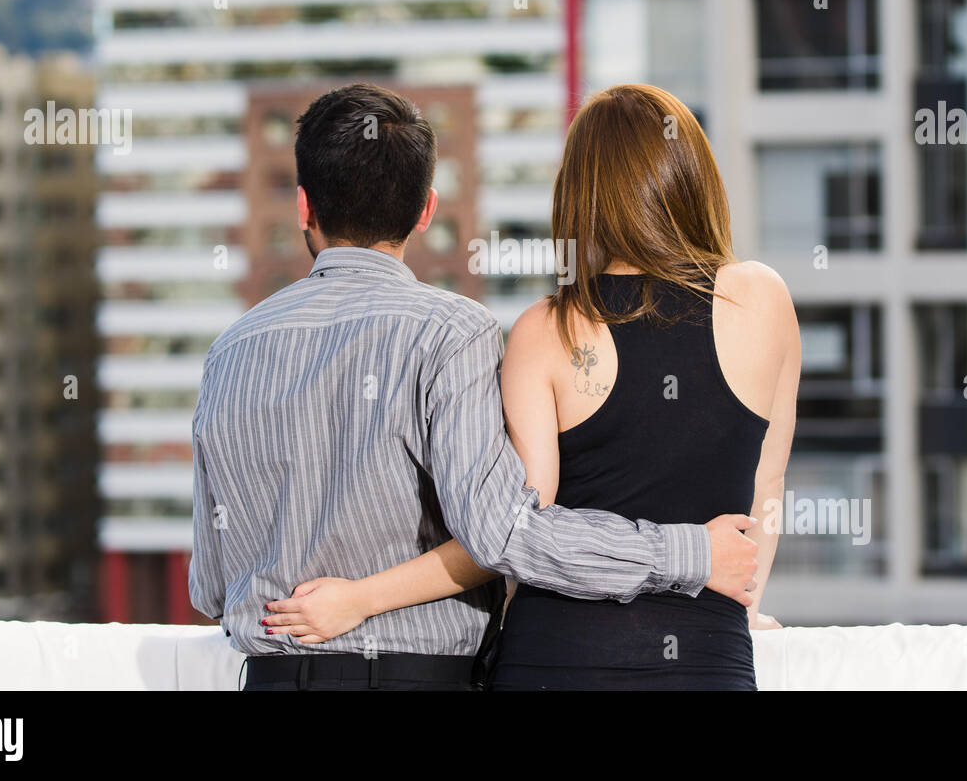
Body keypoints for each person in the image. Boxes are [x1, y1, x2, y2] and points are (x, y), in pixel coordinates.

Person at [189, 82, 762, 691]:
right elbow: (500, 532)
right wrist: (688, 555)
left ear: (303, 208)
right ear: (426, 210)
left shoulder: (230, 353)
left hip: (270, 674)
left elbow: (211, 586)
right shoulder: (452, 333)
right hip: (419, 676)